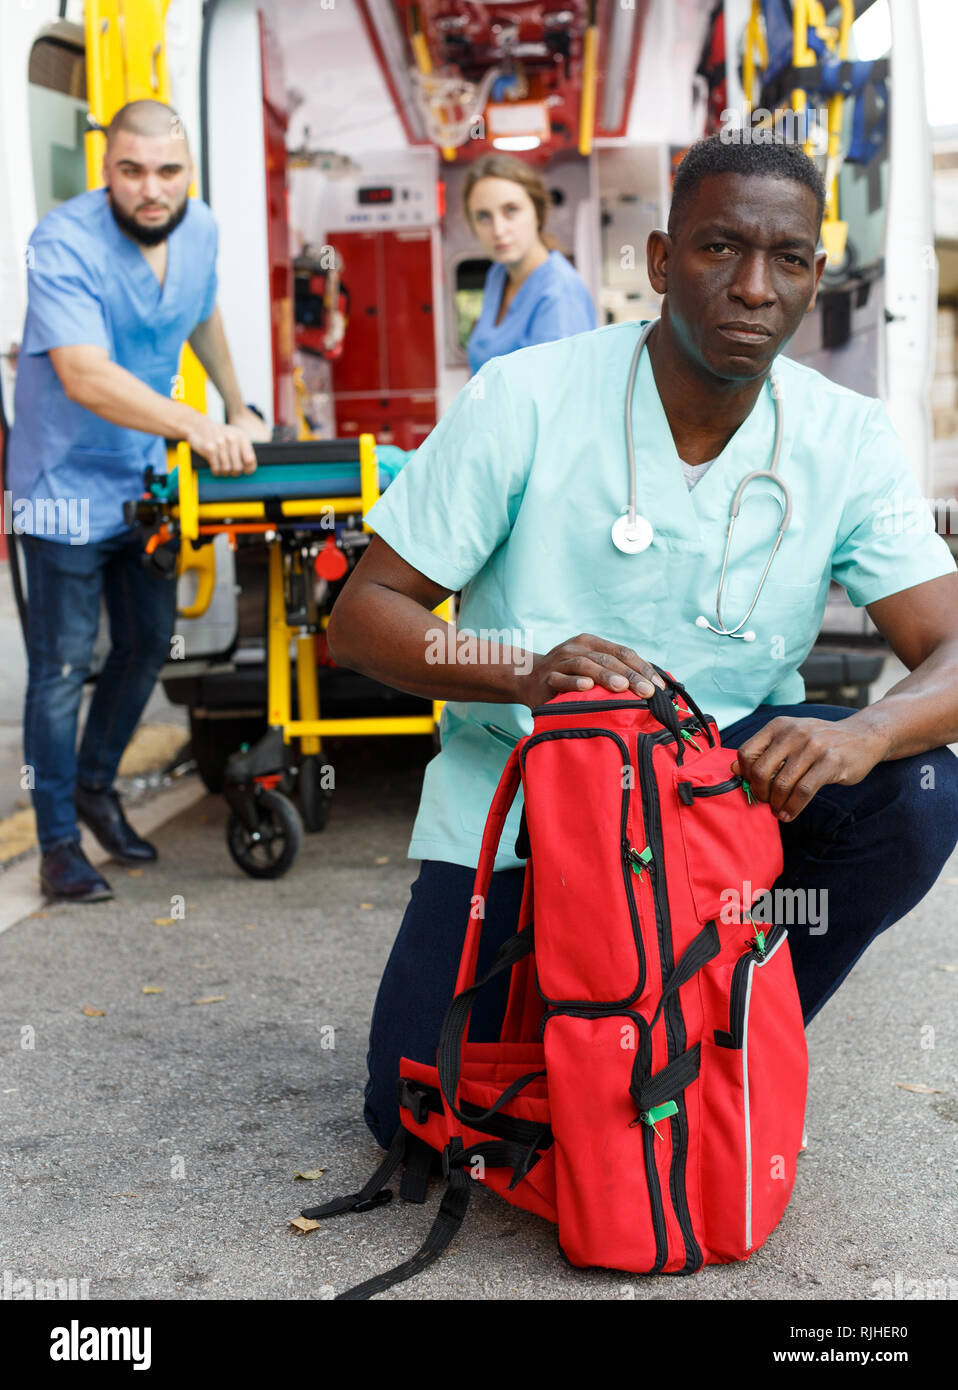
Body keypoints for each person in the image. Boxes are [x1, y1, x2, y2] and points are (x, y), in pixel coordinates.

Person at [327, 134, 958, 1149]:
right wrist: (523, 671)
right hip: (534, 793)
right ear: (662, 261)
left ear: (813, 276)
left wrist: (871, 729)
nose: (752, 287)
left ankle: (724, 1041)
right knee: (416, 1121)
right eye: (720, 249)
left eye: (786, 259)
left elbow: (949, 647)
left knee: (920, 790)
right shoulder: (524, 398)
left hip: (720, 801)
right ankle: (617, 1045)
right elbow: (361, 618)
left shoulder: (846, 438)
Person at [6, 99, 269, 904]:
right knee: (59, 669)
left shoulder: (201, 229)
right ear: (105, 168)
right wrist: (194, 423)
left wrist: (236, 400)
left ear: (187, 171)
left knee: (149, 646)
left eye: (167, 171)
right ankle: (57, 843)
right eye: (130, 170)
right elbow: (83, 374)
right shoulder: (64, 241)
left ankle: (95, 786)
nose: (150, 189)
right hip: (61, 485)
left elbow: (202, 311)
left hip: (144, 483)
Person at [463, 154, 597, 372]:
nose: (498, 230)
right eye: (484, 217)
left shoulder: (559, 293)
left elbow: (557, 397)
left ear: (538, 213)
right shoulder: (498, 275)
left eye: (511, 210)